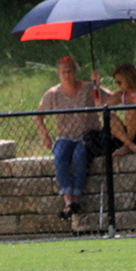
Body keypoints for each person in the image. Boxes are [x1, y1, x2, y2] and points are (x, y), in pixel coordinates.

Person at [34, 56, 103, 220]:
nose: (67, 75)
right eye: (63, 72)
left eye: (70, 71)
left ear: (75, 72)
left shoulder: (87, 88)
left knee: (80, 155)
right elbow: (38, 115)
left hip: (86, 136)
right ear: (58, 74)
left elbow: (103, 101)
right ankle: (67, 199)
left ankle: (77, 197)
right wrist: (45, 136)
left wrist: (97, 84)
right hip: (65, 136)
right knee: (60, 155)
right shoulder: (53, 94)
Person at [94, 63, 136, 156]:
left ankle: (127, 146)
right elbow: (100, 105)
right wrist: (96, 86)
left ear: (128, 79)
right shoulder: (121, 95)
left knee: (131, 111)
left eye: (120, 82)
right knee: (108, 117)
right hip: (130, 133)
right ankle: (130, 145)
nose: (117, 85)